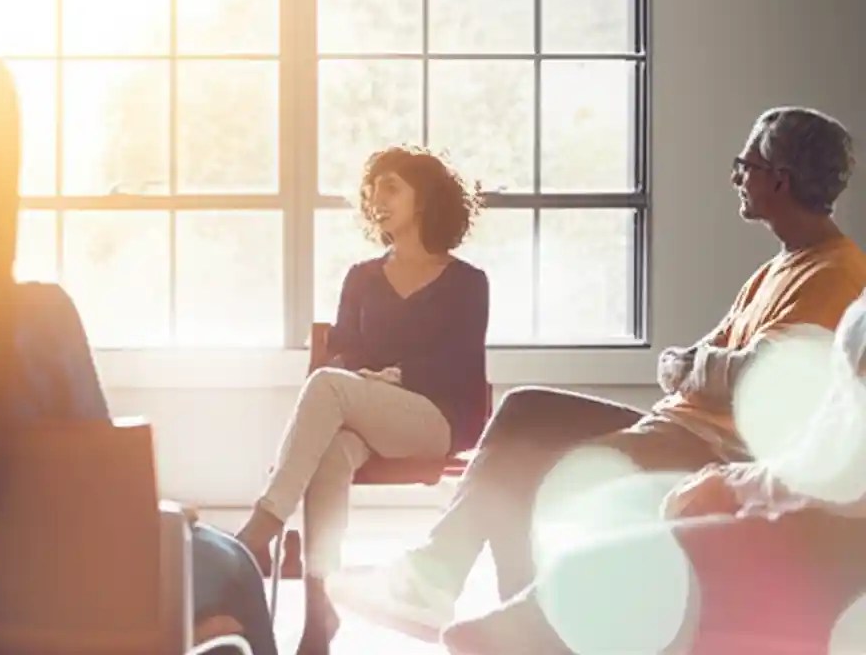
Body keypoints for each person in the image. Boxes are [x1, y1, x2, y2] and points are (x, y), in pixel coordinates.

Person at [335, 106, 866, 636]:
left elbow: (755, 379)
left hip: (710, 448)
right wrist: (693, 367)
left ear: (780, 179)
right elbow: (703, 362)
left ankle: (498, 615)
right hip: (675, 425)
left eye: (745, 165)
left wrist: (690, 367)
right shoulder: (776, 267)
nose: (736, 177)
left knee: (528, 468)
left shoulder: (835, 271)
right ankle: (454, 588)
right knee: (524, 410)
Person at [0, 48, 277, 655]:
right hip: (52, 598)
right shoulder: (39, 318)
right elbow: (106, 506)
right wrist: (163, 519)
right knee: (234, 565)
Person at [441, 287, 866, 654]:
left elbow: (842, 458)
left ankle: (526, 624)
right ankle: (477, 595)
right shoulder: (774, 279)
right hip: (723, 449)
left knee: (629, 543)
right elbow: (831, 428)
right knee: (530, 417)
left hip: (747, 470)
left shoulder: (832, 276)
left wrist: (739, 483)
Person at [233, 145, 489, 653]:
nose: (377, 198)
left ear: (425, 197)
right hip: (368, 413)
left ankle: (262, 529)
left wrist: (394, 376)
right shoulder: (362, 277)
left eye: (391, 187)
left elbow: (461, 367)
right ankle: (319, 610)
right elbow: (346, 352)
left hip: (434, 420)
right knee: (330, 451)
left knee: (327, 386)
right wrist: (361, 375)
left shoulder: (467, 282)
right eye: (372, 190)